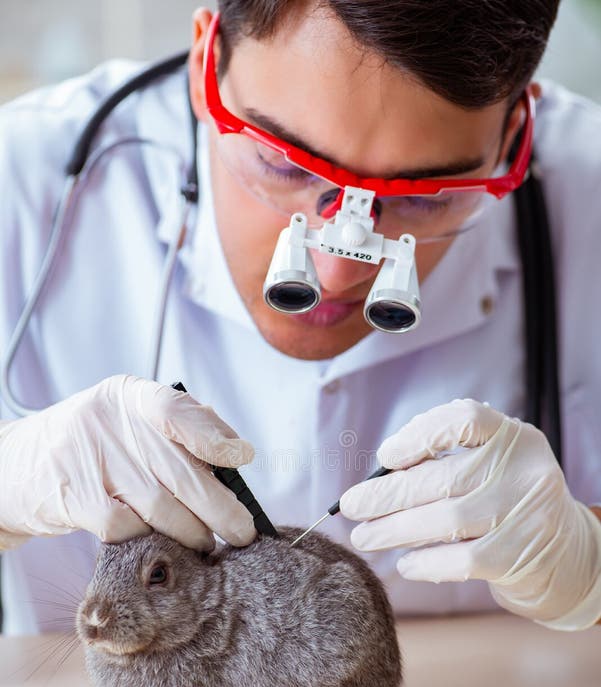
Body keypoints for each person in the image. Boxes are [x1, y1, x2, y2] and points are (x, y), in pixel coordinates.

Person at [0, 0, 600, 635]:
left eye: (427, 200)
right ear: (208, 62)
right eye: (284, 164)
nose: (335, 275)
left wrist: (589, 565)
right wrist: (11, 488)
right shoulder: (21, 176)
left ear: (514, 135)